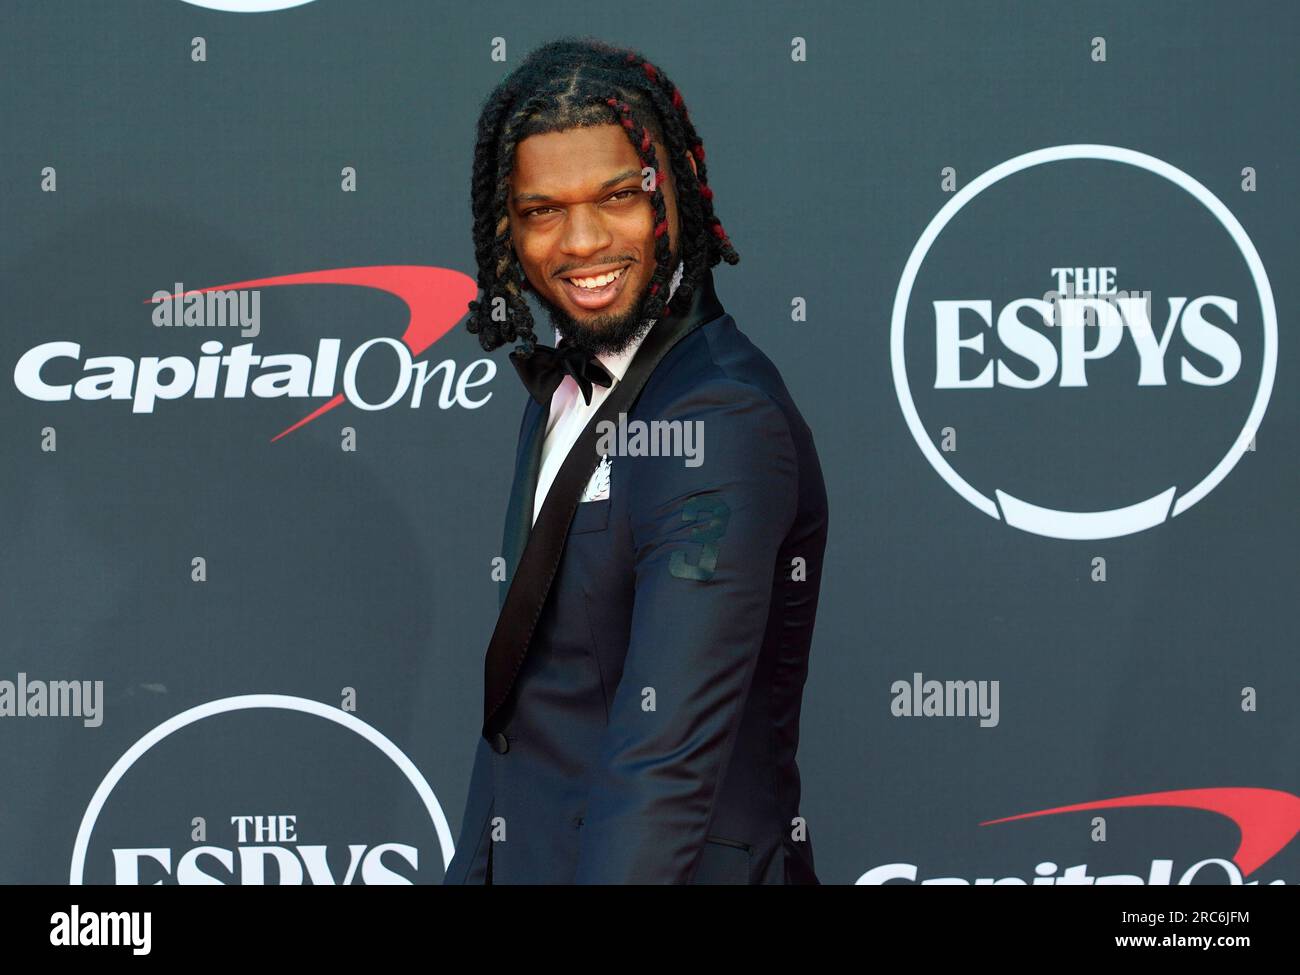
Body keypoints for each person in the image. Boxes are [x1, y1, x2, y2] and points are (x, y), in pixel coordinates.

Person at [444, 36, 828, 884]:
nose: (581, 242)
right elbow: (518, 716)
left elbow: (666, 764)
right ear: (507, 228)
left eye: (618, 196)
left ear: (675, 193)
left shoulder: (719, 418)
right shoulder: (561, 391)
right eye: (542, 211)